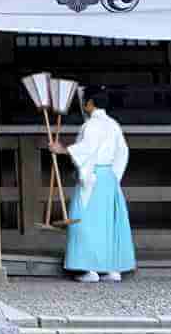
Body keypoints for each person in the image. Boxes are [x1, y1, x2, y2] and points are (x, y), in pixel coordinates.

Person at [50, 88, 135, 282]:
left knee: (85, 222)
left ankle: (89, 269)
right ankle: (112, 268)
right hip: (108, 177)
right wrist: (114, 175)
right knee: (107, 223)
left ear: (89, 103)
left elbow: (86, 149)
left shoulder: (91, 126)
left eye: (84, 102)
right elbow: (122, 152)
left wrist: (61, 150)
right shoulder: (113, 125)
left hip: (93, 176)